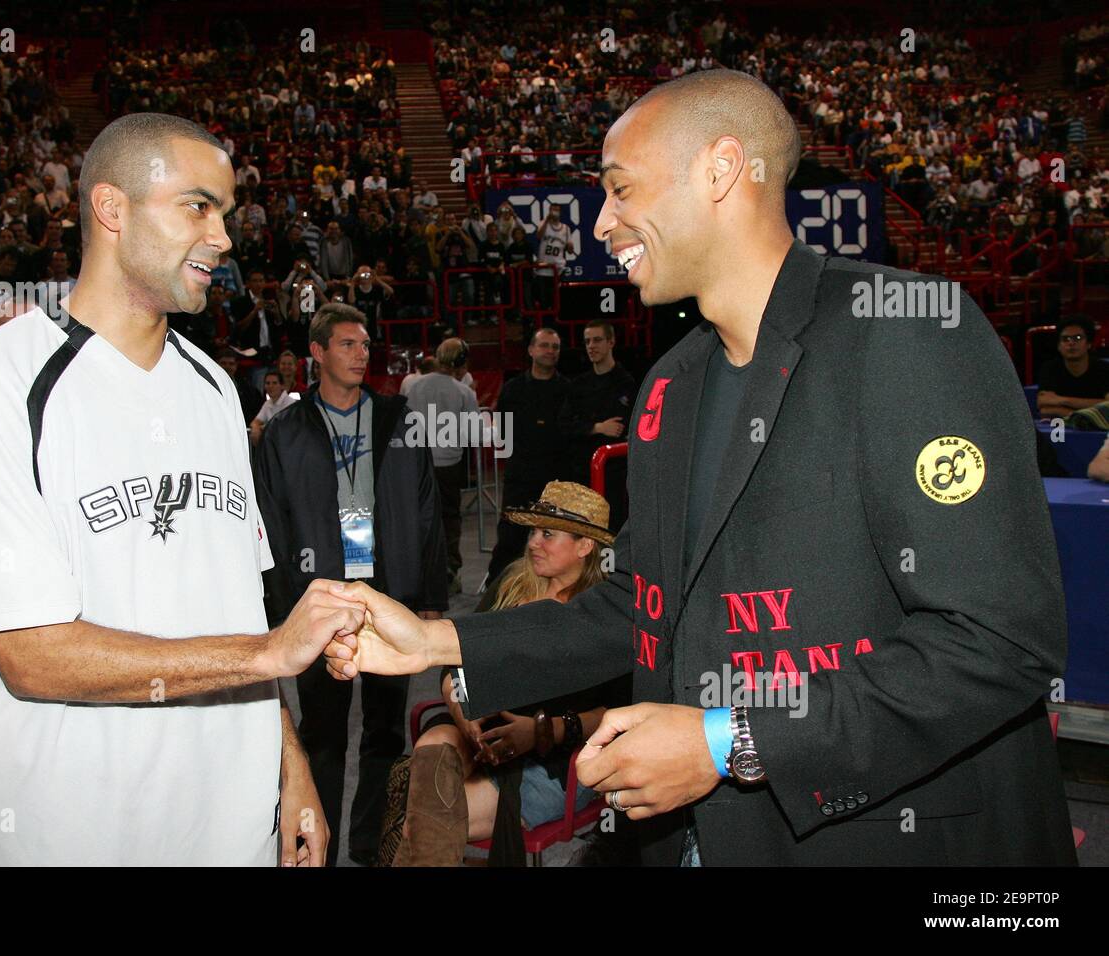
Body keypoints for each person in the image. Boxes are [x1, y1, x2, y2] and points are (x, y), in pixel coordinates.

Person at [326, 70, 1075, 866]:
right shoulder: (671, 386)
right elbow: (639, 604)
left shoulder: (909, 335)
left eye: (620, 189)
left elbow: (998, 639)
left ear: (721, 171)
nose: (604, 223)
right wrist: (437, 641)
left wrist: (730, 741)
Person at [0, 112, 365, 867]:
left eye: (224, 211)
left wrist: (291, 770)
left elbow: (238, 609)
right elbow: (33, 655)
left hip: (228, 831)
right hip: (60, 837)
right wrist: (268, 656)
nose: (223, 237)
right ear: (112, 209)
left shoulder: (217, 389)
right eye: (197, 206)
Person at [255, 302, 448, 866]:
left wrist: (432, 598)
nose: (361, 354)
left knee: (386, 734)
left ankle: (369, 847)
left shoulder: (398, 418)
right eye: (346, 345)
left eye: (365, 345)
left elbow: (429, 511)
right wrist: (279, 605)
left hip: (389, 594)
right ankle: (323, 844)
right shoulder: (286, 431)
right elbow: (269, 522)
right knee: (323, 736)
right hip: (320, 600)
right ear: (317, 354)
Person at [380, 481, 629, 866]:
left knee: (421, 821)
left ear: (584, 546)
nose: (533, 543)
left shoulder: (603, 613)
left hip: (554, 763)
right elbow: (455, 662)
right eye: (532, 532)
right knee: (435, 744)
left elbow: (618, 713)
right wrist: (462, 709)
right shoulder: (512, 584)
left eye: (548, 534)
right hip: (480, 730)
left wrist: (543, 730)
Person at [486, 328, 568, 582]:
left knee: (553, 542)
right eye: (544, 345)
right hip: (520, 479)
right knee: (510, 541)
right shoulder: (512, 390)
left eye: (555, 347)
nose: (550, 351)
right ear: (531, 350)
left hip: (556, 480)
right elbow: (503, 434)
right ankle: (496, 595)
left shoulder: (568, 390)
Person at [405, 338, 479, 593]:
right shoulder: (463, 392)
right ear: (460, 362)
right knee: (449, 518)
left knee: (421, 517)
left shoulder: (414, 387)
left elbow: (405, 424)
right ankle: (449, 570)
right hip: (448, 463)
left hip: (418, 463)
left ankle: (421, 570)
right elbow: (473, 432)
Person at [558, 320, 637, 498]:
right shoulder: (578, 385)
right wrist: (597, 427)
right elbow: (564, 425)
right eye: (587, 341)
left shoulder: (628, 383)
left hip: (617, 476)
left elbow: (629, 428)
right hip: (583, 474)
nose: (591, 346)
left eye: (597, 340)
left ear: (611, 342)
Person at [1036, 316, 1109, 418]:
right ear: (1059, 346)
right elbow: (1043, 405)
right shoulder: (1050, 368)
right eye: (1066, 339)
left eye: (1078, 338)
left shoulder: (1104, 369)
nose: (1071, 343)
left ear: (1089, 344)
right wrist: (1089, 414)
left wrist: (1061, 401)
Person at [249, 368, 301, 446]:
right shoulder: (268, 403)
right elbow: (255, 422)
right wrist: (256, 429)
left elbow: (283, 427)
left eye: (274, 383)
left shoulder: (290, 403)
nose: (270, 386)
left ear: (282, 386)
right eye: (267, 383)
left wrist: (263, 428)